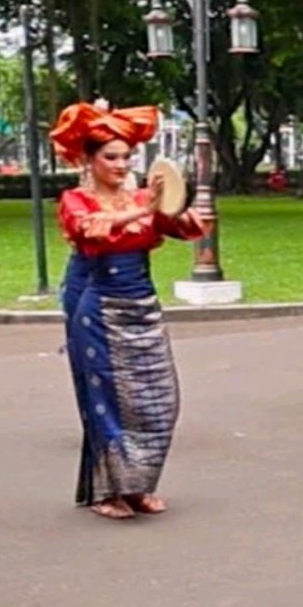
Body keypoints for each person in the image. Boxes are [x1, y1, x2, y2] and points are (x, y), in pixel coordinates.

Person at [50, 100, 206, 520]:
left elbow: (185, 227)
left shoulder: (142, 197)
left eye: (126, 157)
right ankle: (108, 492)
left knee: (160, 400)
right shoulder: (76, 200)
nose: (121, 165)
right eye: (111, 157)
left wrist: (181, 204)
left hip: (144, 307)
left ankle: (139, 486)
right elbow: (91, 230)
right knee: (108, 400)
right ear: (89, 159)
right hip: (99, 309)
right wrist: (146, 208)